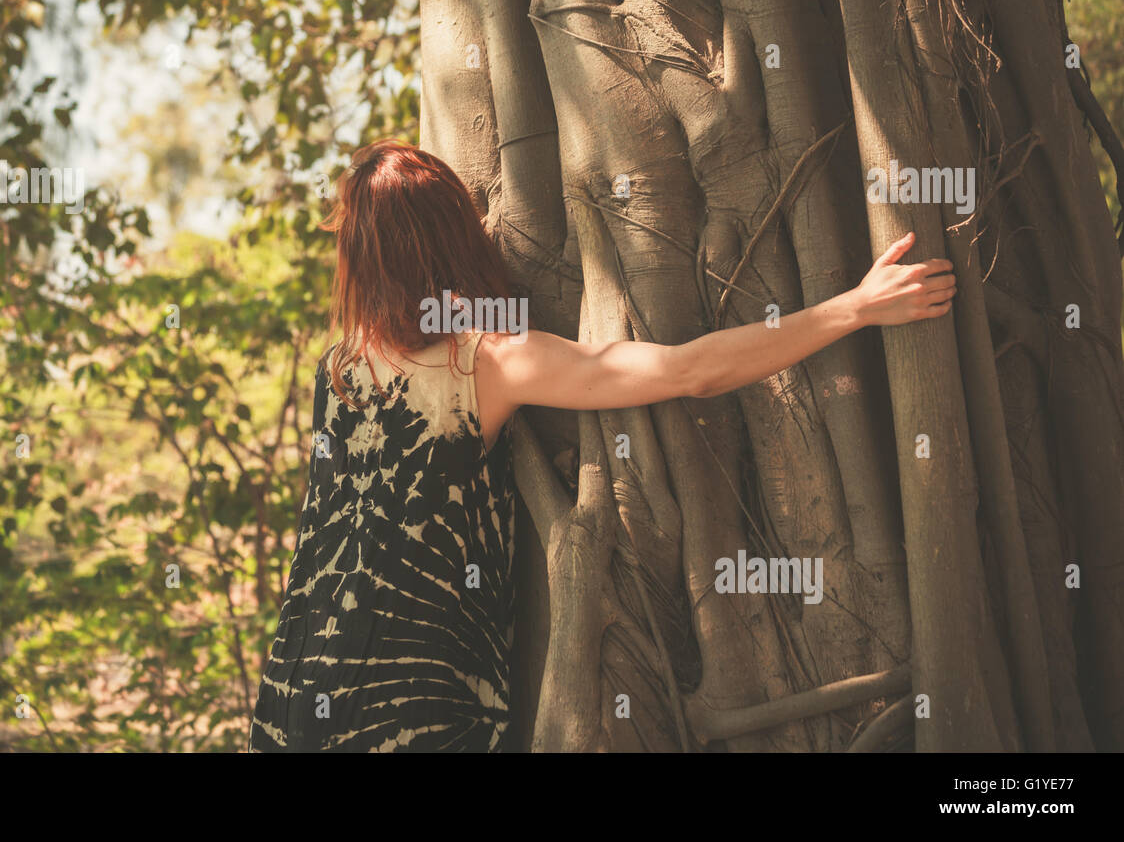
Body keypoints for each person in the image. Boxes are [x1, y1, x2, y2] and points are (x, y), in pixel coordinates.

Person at [247, 139, 956, 752]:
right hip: (409, 705)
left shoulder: (338, 370)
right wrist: (853, 307)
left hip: (292, 689)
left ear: (360, 258)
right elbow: (691, 370)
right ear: (453, 237)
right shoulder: (487, 361)